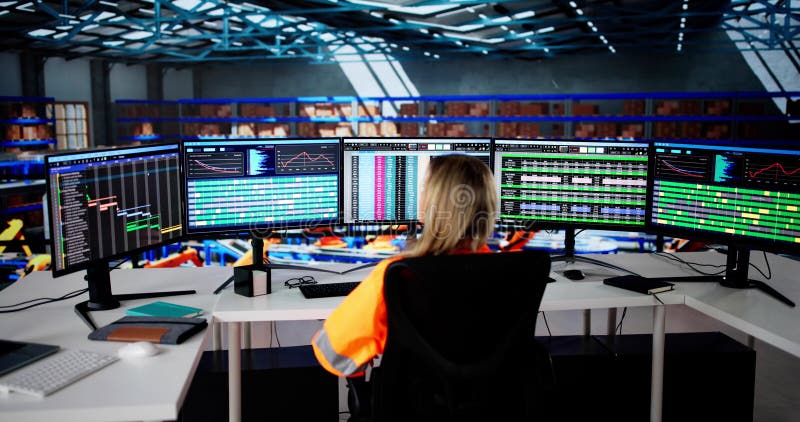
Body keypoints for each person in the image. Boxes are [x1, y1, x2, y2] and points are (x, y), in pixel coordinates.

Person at [311, 154, 497, 377]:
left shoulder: (397, 273)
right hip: (495, 403)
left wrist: (366, 354)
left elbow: (333, 354)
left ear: (431, 204)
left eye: (424, 190)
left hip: (413, 404)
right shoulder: (509, 270)